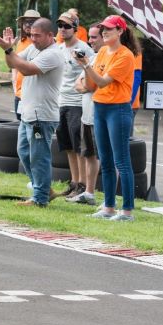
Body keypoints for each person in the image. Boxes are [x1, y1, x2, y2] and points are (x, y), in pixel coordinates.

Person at [76, 15, 139, 221]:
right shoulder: (102, 51)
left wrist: (86, 66)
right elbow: (91, 85)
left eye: (109, 29)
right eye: (103, 28)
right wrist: (85, 68)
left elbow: (102, 82)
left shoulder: (125, 55)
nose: (104, 32)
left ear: (120, 31)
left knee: (121, 161)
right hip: (100, 107)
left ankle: (127, 210)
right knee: (106, 160)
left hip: (118, 109)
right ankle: (109, 207)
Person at [0, 18, 63, 207]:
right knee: (24, 152)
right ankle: (44, 188)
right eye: (31, 35)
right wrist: (7, 49)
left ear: (50, 35)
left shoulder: (53, 54)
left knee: (39, 156)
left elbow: (26, 69)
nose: (33, 39)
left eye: (37, 35)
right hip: (28, 113)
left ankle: (40, 198)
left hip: (41, 115)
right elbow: (12, 64)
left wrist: (9, 50)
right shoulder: (35, 48)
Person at [53, 11, 94, 200]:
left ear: (75, 28)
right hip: (61, 102)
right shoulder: (58, 48)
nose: (63, 29)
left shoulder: (84, 48)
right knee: (68, 145)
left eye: (67, 26)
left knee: (79, 147)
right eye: (60, 25)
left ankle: (83, 185)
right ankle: (74, 182)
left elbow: (91, 72)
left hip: (77, 103)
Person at [70, 23, 103, 205]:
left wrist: (87, 85)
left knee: (103, 157)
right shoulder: (93, 58)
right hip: (87, 114)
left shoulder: (105, 59)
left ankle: (108, 198)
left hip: (100, 115)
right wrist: (87, 85)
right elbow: (78, 85)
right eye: (89, 37)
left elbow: (90, 85)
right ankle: (89, 192)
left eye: (94, 37)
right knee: (88, 155)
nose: (90, 41)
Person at [12, 10, 41, 120]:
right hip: (19, 92)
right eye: (26, 22)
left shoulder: (42, 42)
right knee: (20, 125)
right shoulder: (21, 42)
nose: (28, 25)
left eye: (32, 22)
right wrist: (14, 82)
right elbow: (15, 63)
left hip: (34, 94)